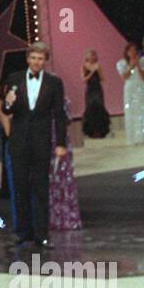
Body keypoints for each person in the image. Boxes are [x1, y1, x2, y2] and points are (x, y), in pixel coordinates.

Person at [0, 41, 68, 249]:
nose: (37, 62)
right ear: (28, 59)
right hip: (19, 141)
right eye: (33, 58)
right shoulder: (14, 79)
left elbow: (59, 114)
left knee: (40, 187)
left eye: (41, 58)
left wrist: (61, 143)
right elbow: (6, 109)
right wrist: (8, 102)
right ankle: (22, 233)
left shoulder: (54, 83)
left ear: (45, 61)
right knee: (20, 187)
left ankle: (41, 235)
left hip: (41, 141)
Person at [48, 96, 81, 231]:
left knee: (63, 177)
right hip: (46, 141)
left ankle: (66, 216)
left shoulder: (64, 101)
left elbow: (67, 119)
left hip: (60, 141)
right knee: (50, 180)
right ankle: (54, 217)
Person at [116, 42, 144, 145]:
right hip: (130, 87)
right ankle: (133, 138)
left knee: (142, 110)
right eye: (130, 50)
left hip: (140, 86)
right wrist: (131, 66)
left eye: (134, 50)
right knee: (131, 111)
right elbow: (125, 77)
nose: (133, 52)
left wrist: (138, 65)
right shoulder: (122, 63)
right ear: (127, 52)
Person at [80, 50, 110, 139]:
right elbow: (84, 80)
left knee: (99, 108)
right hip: (90, 89)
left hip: (98, 89)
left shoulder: (98, 65)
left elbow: (102, 78)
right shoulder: (84, 66)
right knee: (90, 109)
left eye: (94, 55)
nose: (92, 57)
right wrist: (92, 71)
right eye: (90, 55)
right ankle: (91, 132)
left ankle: (101, 131)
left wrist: (98, 70)